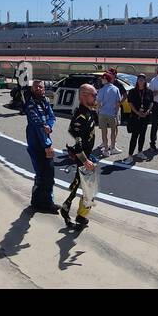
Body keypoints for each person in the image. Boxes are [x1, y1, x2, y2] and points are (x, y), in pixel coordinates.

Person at [59, 84, 100, 228]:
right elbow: (72, 141)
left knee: (86, 188)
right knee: (85, 188)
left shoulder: (89, 112)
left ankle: (76, 212)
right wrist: (84, 160)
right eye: (93, 95)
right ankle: (72, 211)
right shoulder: (79, 117)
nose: (96, 97)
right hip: (83, 159)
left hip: (88, 156)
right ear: (83, 96)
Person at [23, 80, 59, 213]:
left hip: (44, 139)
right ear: (32, 89)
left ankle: (42, 202)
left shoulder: (45, 101)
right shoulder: (30, 103)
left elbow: (52, 117)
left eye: (41, 87)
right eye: (36, 86)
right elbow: (37, 125)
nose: (39, 88)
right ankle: (42, 203)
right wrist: (47, 145)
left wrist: (49, 126)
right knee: (44, 174)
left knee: (47, 174)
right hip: (37, 143)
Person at [125, 73, 153, 162]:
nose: (141, 81)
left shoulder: (149, 91)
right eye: (139, 79)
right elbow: (130, 103)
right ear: (137, 80)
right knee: (134, 136)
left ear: (145, 81)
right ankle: (130, 155)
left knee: (142, 135)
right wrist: (137, 113)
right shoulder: (133, 91)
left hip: (145, 117)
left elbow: (151, 102)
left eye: (143, 79)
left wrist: (148, 111)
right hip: (135, 117)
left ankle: (140, 152)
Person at [95, 71, 124, 155]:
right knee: (113, 131)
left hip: (103, 113)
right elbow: (118, 102)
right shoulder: (116, 89)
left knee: (104, 132)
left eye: (103, 79)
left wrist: (98, 111)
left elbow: (99, 102)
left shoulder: (102, 89)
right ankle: (113, 147)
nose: (101, 80)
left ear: (106, 79)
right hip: (112, 113)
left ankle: (106, 150)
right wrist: (116, 112)